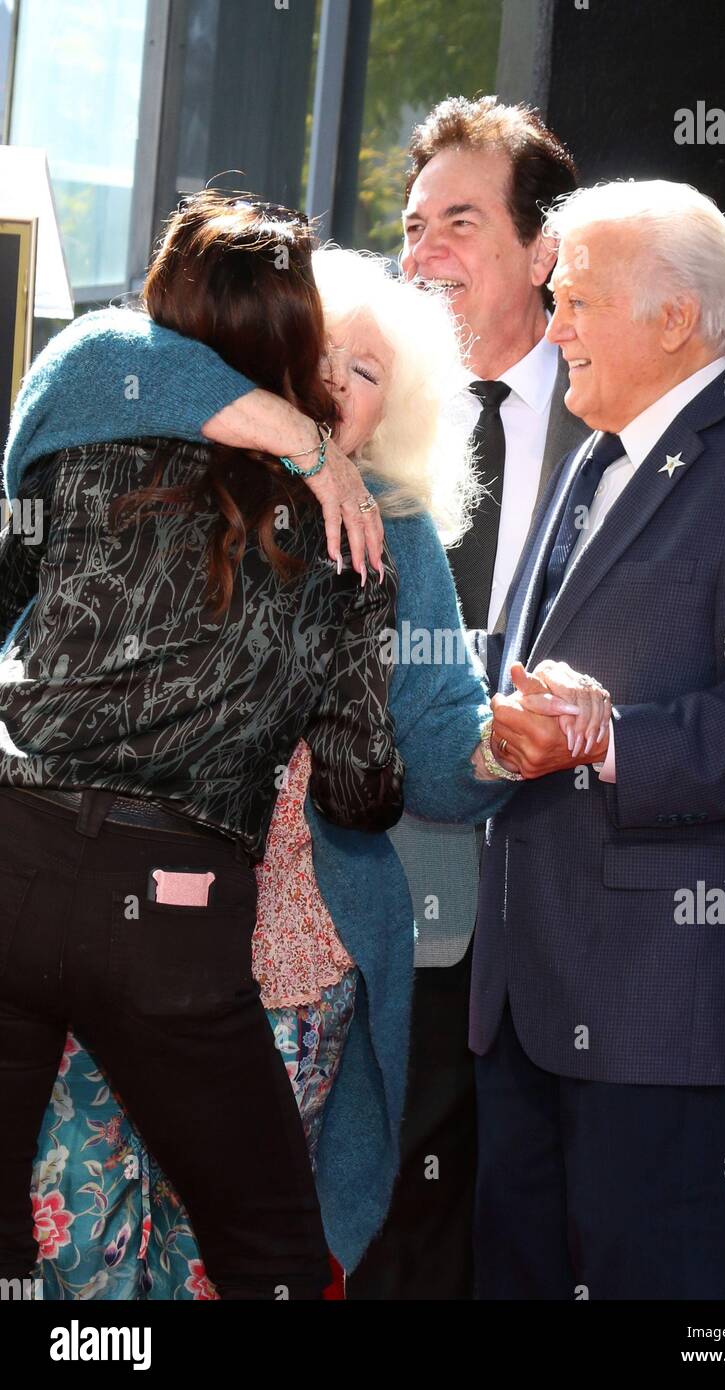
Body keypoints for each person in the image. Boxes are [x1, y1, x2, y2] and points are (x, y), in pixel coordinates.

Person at [9, 245, 591, 1296]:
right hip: (110, 913)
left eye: (361, 371)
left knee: (219, 1261)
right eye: (310, 352)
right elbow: (83, 367)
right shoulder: (157, 444)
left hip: (287, 948)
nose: (327, 381)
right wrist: (287, 440)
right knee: (74, 1239)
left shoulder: (388, 534)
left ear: (398, 412)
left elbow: (434, 748)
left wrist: (503, 744)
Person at [0, 194, 407, 1302]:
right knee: (270, 1248)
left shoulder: (80, 433)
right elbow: (364, 791)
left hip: (11, 855)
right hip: (169, 916)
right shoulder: (342, 529)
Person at [471, 178, 725, 1299]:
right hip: (527, 991)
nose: (553, 330)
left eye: (576, 302)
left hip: (663, 1010)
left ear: (674, 317)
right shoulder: (592, 456)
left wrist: (610, 743)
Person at [350, 95, 591, 1301]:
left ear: (540, 253)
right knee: (396, 1196)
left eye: (458, 222)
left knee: (535, 1229)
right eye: (410, 225)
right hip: (408, 879)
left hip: (572, 900)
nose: (420, 252)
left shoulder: (620, 424)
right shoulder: (359, 422)